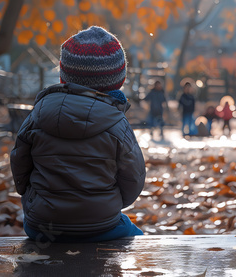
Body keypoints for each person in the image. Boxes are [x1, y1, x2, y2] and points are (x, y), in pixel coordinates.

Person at [11, 26, 145, 243]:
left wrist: (33, 197)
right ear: (118, 79)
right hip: (100, 225)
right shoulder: (118, 124)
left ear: (64, 75)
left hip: (42, 226)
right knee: (138, 238)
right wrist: (109, 204)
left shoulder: (37, 115)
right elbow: (133, 178)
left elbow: (19, 166)